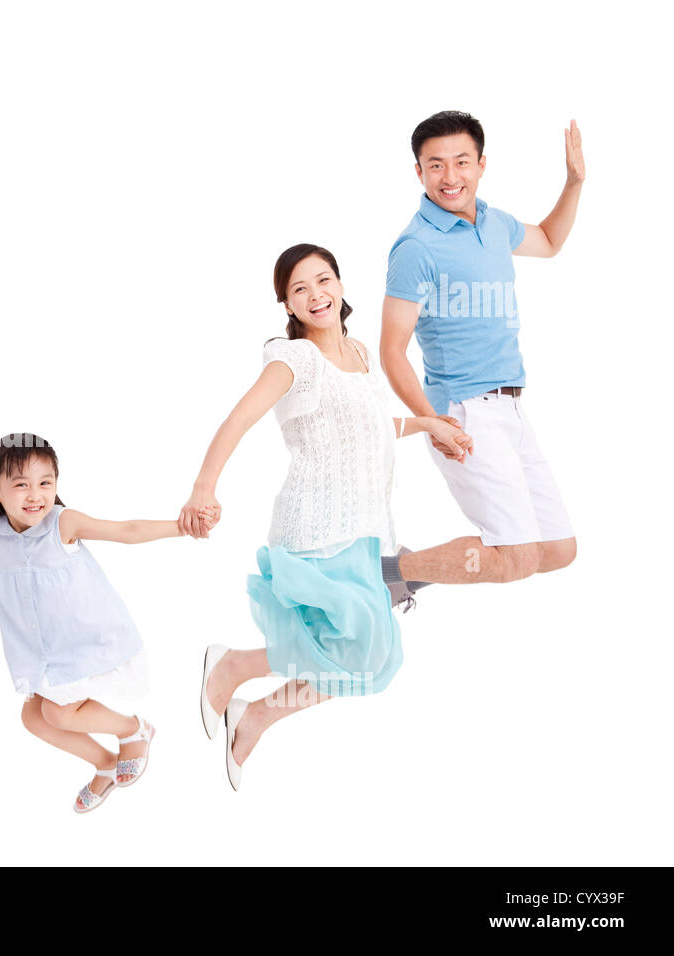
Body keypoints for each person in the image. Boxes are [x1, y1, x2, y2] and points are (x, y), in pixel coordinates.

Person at [180, 244, 472, 789]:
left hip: (364, 532)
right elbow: (239, 419)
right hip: (316, 530)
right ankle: (239, 678)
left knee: (369, 661)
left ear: (340, 284)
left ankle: (252, 703)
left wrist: (428, 426)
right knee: (361, 651)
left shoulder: (358, 353)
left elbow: (369, 426)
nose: (316, 295)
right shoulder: (296, 361)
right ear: (288, 307)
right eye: (299, 290)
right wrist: (203, 488)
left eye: (323, 280)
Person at [0, 434, 202, 813]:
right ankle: (105, 763)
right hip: (43, 650)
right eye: (21, 484)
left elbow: (126, 531)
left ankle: (134, 730)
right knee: (34, 718)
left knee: (58, 712)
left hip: (86, 639)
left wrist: (181, 527)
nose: (35, 495)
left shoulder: (63, 523)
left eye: (45, 483)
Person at [380, 111, 584, 602]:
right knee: (516, 557)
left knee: (557, 549)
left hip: (511, 405)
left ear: (481, 164)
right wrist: (435, 423)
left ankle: (394, 575)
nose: (450, 177)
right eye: (435, 165)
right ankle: (381, 572)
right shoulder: (416, 248)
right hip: (462, 411)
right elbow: (391, 351)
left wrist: (574, 181)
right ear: (419, 172)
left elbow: (551, 242)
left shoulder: (492, 223)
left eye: (461, 162)